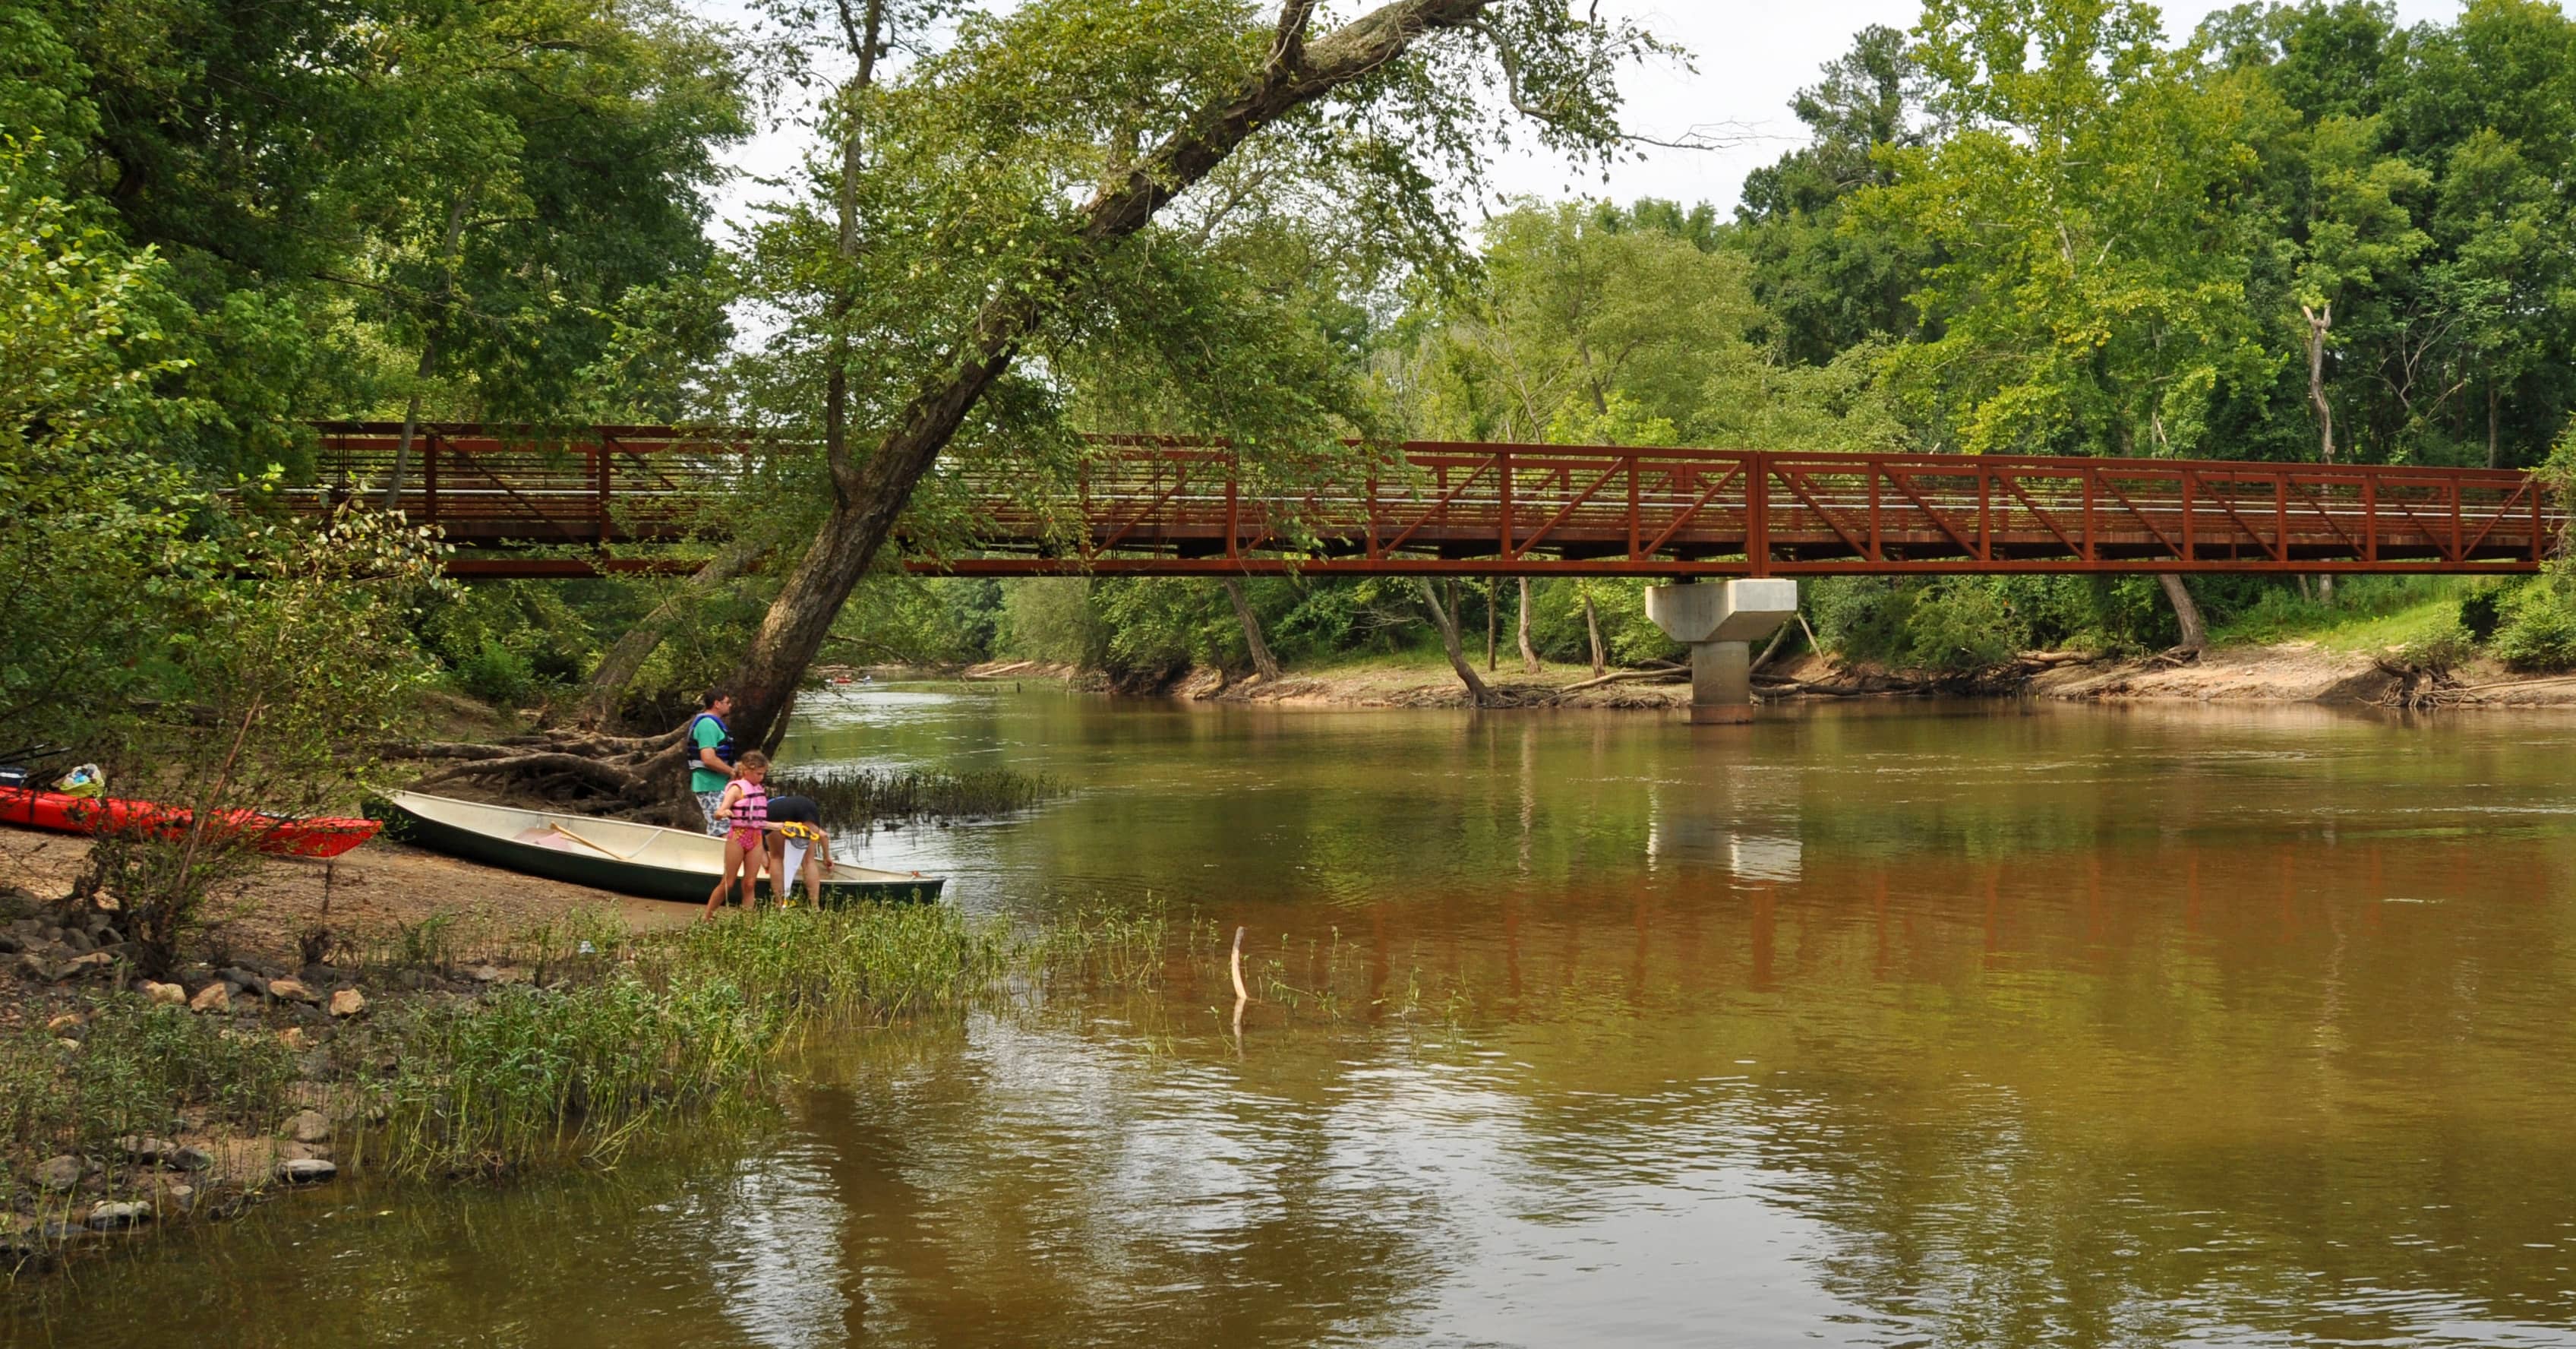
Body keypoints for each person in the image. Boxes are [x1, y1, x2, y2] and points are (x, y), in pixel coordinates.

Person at [702, 750, 772, 919]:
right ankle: (707, 917)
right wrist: (724, 812)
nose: (761, 778)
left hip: (755, 838)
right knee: (729, 882)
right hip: (738, 837)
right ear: (747, 770)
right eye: (758, 774)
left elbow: (758, 821)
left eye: (763, 774)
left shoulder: (758, 789)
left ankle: (747, 922)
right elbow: (718, 813)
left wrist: (777, 826)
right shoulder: (736, 789)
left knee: (750, 883)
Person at [764, 793, 831, 906]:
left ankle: (780, 905)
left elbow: (765, 862)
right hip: (806, 806)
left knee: (776, 858)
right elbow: (823, 835)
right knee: (808, 861)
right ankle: (815, 907)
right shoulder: (791, 801)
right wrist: (826, 858)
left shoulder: (763, 813)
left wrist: (767, 865)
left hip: (774, 813)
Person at [689, 688, 737, 836]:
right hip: (709, 783)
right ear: (717, 704)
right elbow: (708, 759)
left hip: (718, 783)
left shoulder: (714, 724)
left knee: (727, 826)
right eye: (727, 702)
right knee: (722, 827)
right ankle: (722, 857)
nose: (730, 705)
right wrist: (733, 772)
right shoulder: (707, 725)